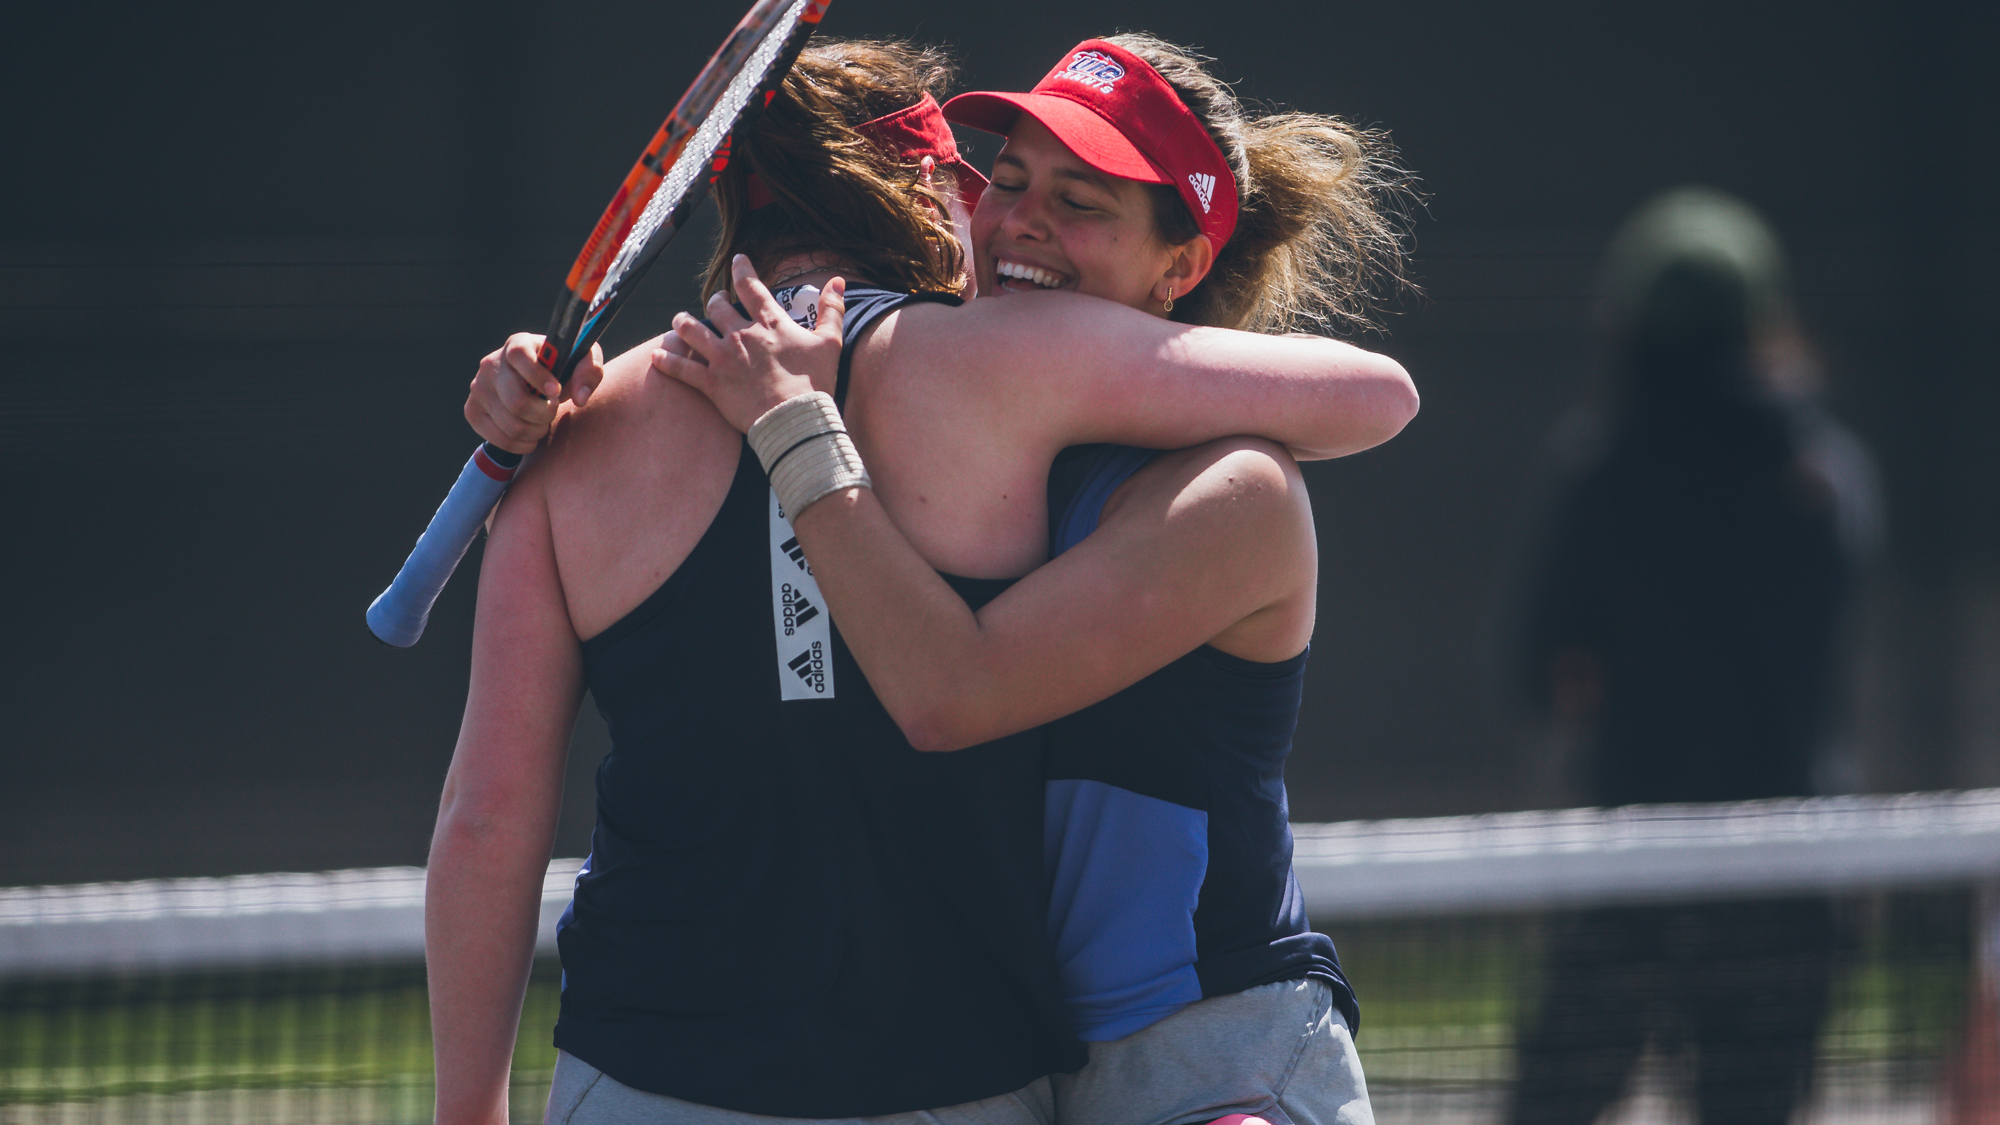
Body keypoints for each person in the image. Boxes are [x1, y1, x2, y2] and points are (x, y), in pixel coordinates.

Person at [435, 36, 1415, 1125]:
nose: (1017, 222)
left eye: (1078, 200)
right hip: (967, 1075)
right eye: (1002, 181)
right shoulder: (1000, 367)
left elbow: (486, 819)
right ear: (937, 190)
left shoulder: (569, 433)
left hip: (1177, 1064)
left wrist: (465, 1110)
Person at [1504, 187, 1880, 1125]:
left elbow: (1537, 666)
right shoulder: (1824, 478)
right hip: (1793, 875)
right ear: (1763, 319)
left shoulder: (1601, 473)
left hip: (1632, 871)